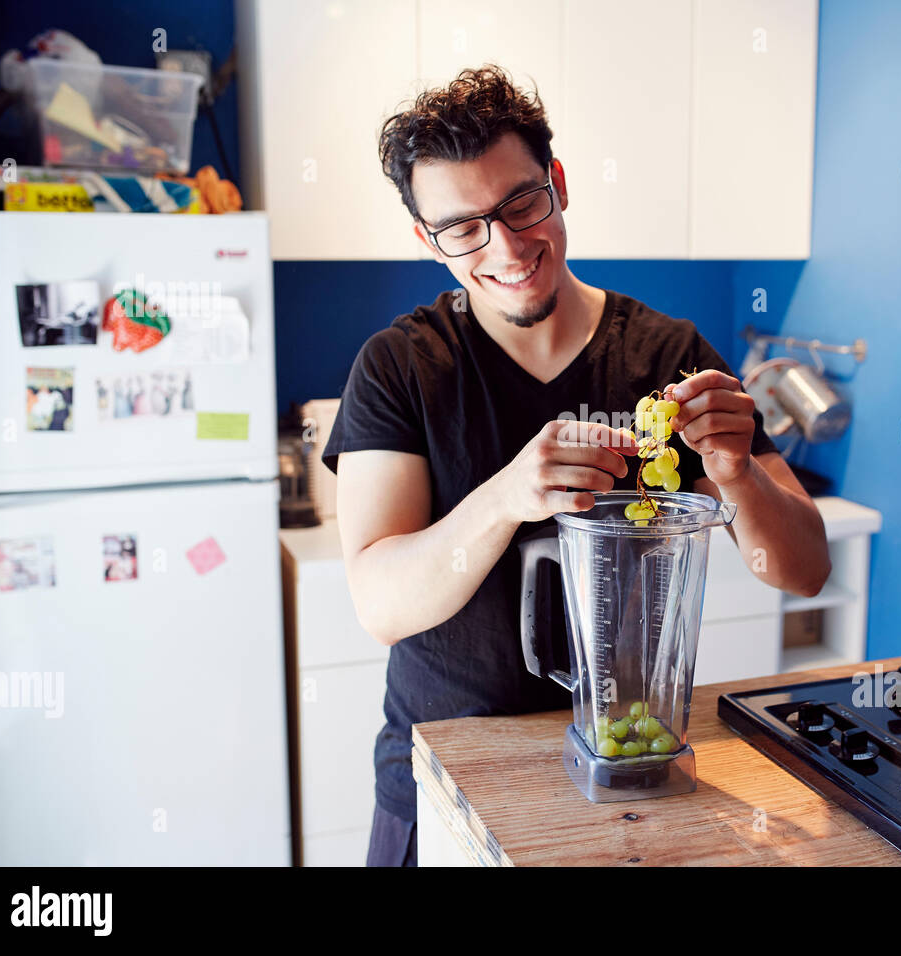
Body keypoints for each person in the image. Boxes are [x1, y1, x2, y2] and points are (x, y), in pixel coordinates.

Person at [322, 65, 831, 867]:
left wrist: (735, 472)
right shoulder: (399, 368)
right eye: (463, 228)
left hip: (630, 761)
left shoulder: (667, 354)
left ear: (557, 185)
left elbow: (800, 569)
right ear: (428, 241)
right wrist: (505, 497)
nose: (508, 248)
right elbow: (379, 604)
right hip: (449, 774)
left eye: (522, 204)